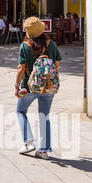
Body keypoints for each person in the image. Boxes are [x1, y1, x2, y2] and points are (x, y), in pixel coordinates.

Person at [15, 16, 62, 158]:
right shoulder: (51, 44)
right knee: (44, 116)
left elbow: (21, 68)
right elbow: (57, 65)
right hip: (48, 87)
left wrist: (17, 86)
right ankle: (44, 150)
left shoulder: (24, 46)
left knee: (20, 111)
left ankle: (29, 142)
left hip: (29, 87)